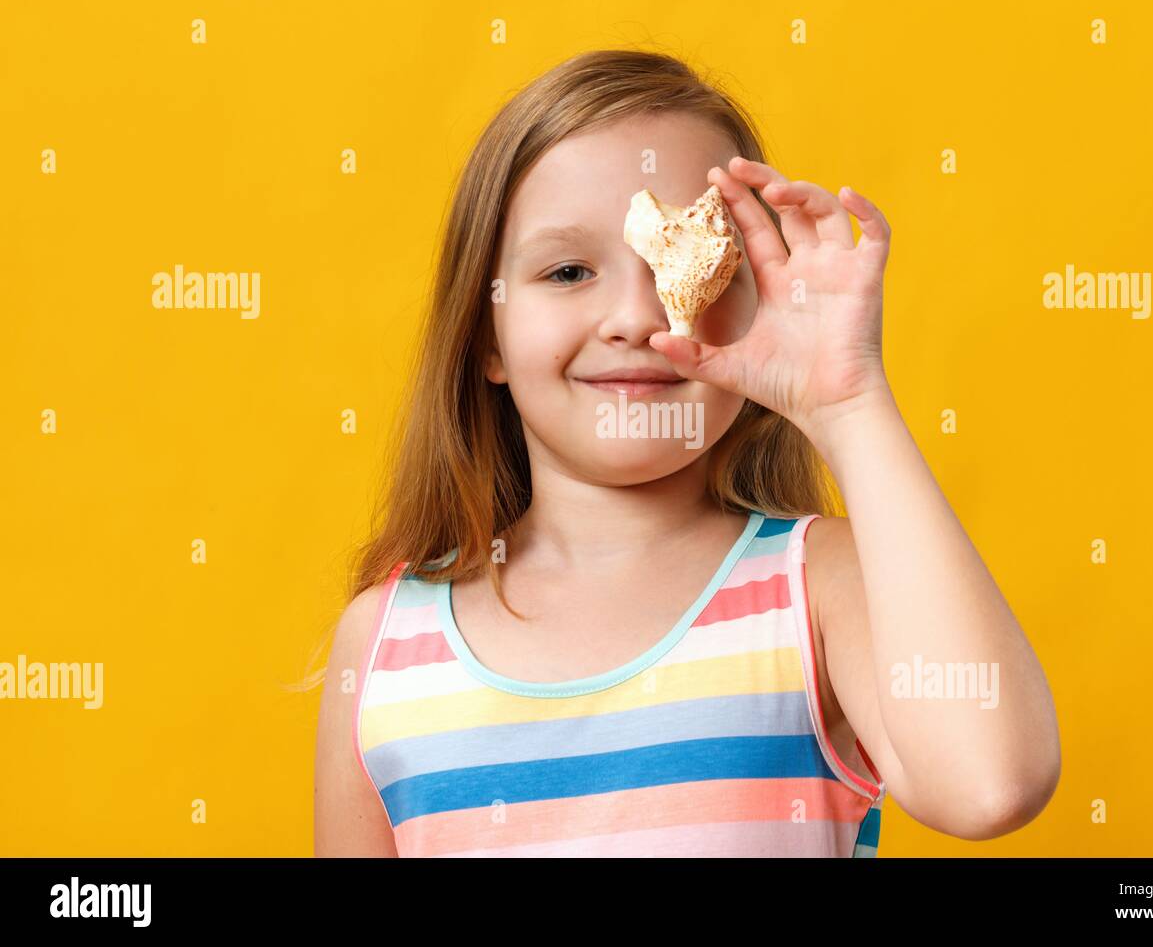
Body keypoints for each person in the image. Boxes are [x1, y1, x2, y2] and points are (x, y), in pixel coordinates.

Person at [313, 48, 1060, 857]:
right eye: (567, 271)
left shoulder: (817, 590)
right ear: (485, 333)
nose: (637, 318)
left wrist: (848, 403)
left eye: (686, 268)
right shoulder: (386, 641)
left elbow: (994, 785)